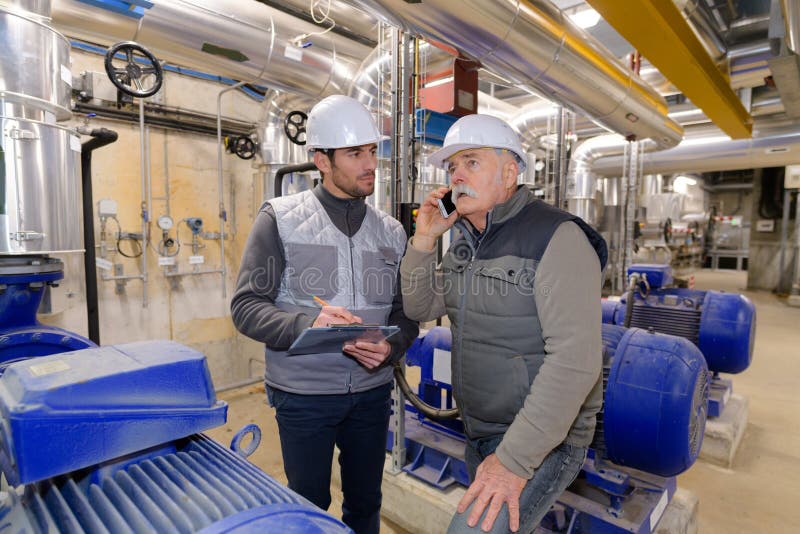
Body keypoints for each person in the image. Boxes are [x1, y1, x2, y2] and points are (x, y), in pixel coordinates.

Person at [399, 114, 607, 533]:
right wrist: (424, 239)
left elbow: (575, 361)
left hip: (543, 440)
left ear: (510, 172)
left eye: (471, 162)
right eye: (452, 167)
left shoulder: (557, 237)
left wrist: (512, 462)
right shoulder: (466, 242)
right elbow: (419, 306)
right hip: (480, 429)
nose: (457, 176)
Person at [231, 94, 418, 534]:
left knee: (366, 503)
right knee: (309, 505)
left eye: (372, 151)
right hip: (304, 396)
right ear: (321, 160)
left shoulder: (391, 231)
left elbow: (406, 315)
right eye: (355, 154)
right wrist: (305, 324)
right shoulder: (280, 219)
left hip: (372, 394)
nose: (370, 163)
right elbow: (246, 307)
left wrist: (391, 347)